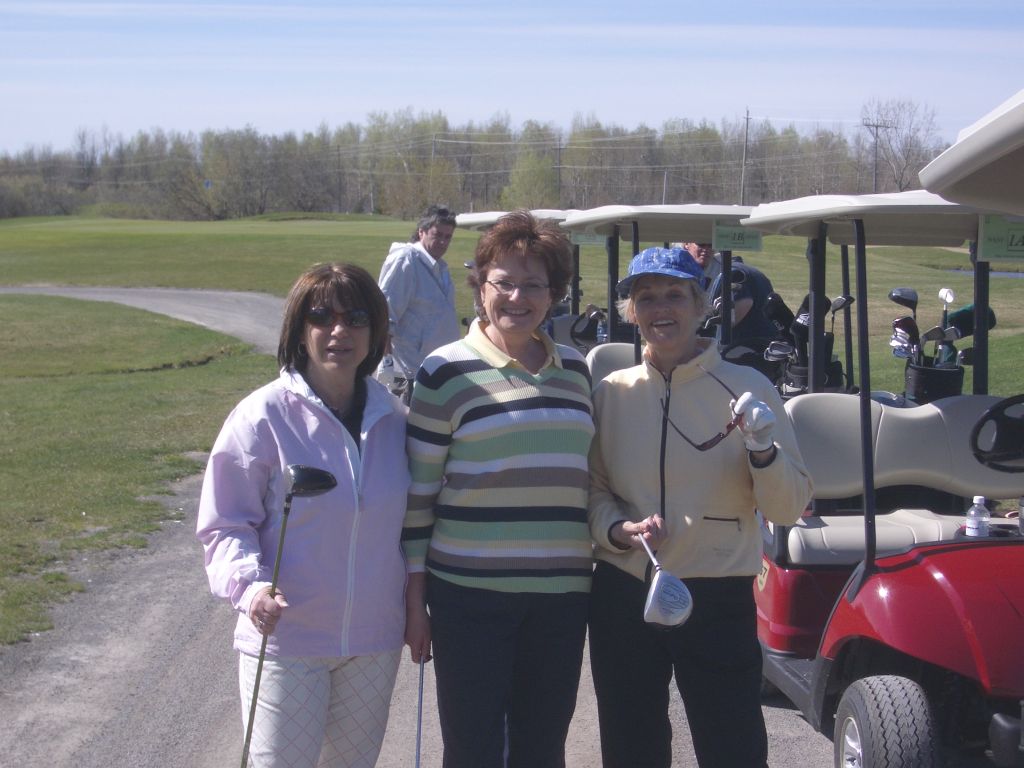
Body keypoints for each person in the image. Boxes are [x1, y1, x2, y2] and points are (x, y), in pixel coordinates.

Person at [587, 246, 812, 768]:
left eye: (674, 295)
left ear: (700, 302)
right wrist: (616, 528)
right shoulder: (611, 393)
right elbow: (594, 490)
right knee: (630, 744)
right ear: (631, 312)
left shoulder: (748, 387)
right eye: (646, 298)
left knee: (731, 744)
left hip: (716, 594)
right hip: (626, 591)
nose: (660, 309)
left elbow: (787, 507)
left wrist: (763, 450)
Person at [402, 210, 595, 768]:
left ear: (555, 294)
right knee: (474, 747)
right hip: (469, 597)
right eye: (503, 282)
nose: (517, 296)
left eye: (533, 284)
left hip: (561, 598)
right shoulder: (443, 373)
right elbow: (419, 498)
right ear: (479, 284)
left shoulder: (577, 372)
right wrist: (416, 600)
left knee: (542, 746)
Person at [196, 263, 410, 768]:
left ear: (375, 331)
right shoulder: (260, 416)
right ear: (299, 329)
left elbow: (412, 528)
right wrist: (250, 589)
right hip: (285, 643)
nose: (340, 331)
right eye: (322, 316)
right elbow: (225, 525)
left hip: (372, 644)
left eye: (356, 318)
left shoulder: (396, 420)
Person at [377, 204, 461, 400]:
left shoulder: (440, 267)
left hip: (437, 370)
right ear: (421, 232)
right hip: (408, 374)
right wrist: (391, 376)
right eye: (437, 234)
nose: (442, 242)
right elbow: (384, 318)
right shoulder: (406, 261)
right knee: (402, 427)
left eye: (448, 237)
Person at [711, 259, 779, 346]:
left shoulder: (734, 272)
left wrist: (720, 328)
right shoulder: (750, 270)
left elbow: (745, 302)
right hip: (769, 336)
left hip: (749, 341)